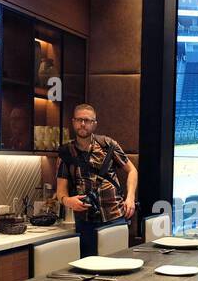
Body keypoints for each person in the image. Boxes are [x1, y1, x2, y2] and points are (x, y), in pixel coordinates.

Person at [55, 103, 138, 256]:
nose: (82, 124)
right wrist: (68, 201)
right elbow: (60, 191)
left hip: (114, 215)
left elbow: (132, 170)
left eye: (87, 120)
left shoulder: (108, 144)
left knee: (118, 265)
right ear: (73, 122)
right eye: (79, 120)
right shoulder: (66, 152)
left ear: (94, 124)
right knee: (89, 269)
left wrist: (130, 198)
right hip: (86, 220)